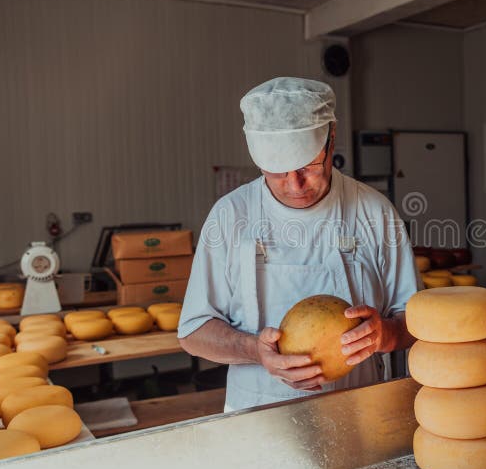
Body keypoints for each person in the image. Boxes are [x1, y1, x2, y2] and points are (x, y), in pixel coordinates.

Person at [178, 77, 419, 412]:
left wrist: (386, 335)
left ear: (331, 139)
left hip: (360, 413)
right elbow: (193, 332)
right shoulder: (231, 216)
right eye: (276, 172)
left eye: (308, 166)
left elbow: (416, 320)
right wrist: (254, 350)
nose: (295, 185)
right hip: (258, 417)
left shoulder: (374, 211)